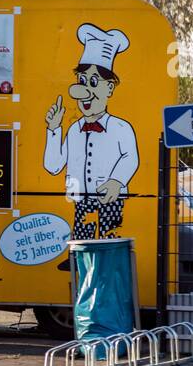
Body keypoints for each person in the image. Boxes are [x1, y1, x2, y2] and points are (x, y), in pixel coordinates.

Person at [43, 23, 139, 242]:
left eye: (94, 82)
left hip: (110, 202)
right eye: (82, 81)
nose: (85, 89)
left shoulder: (121, 128)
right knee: (82, 243)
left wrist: (116, 181)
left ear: (109, 88)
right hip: (81, 201)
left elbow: (130, 158)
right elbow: (53, 166)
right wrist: (54, 129)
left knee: (109, 241)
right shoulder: (74, 130)